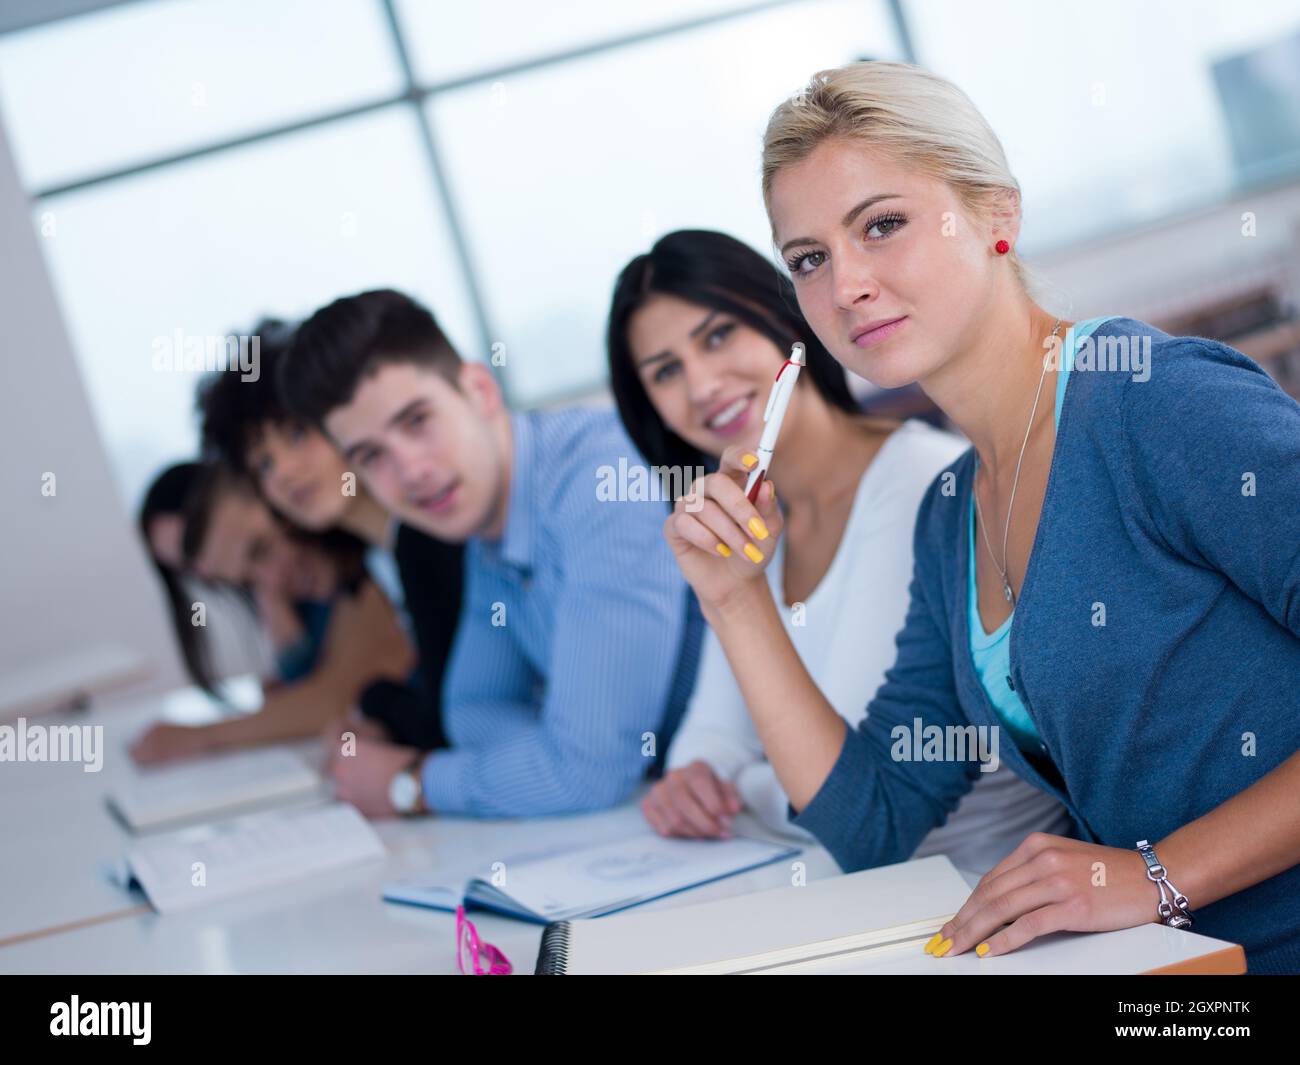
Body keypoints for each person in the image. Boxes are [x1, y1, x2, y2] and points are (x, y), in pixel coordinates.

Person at [665, 61, 1300, 972]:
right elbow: (875, 820)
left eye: (882, 225)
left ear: (997, 215)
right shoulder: (950, 514)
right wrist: (735, 598)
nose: (845, 284)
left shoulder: (1153, 402)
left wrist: (1155, 875)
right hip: (1168, 973)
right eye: (808, 259)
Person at [608, 228, 1071, 874]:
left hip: (970, 895)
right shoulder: (746, 516)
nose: (703, 383)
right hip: (839, 889)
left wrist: (736, 786)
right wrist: (700, 773)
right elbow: (709, 737)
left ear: (782, 323)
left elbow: (840, 792)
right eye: (665, 372)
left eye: (717, 336)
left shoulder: (921, 484)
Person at [279, 289, 703, 818]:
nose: (410, 471)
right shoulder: (486, 521)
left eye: (417, 422)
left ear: (479, 390)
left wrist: (410, 784)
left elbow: (590, 773)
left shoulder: (597, 483)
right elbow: (472, 715)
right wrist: (557, 754)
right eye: (372, 456)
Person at [194, 319, 464, 751]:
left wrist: (382, 714)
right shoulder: (380, 557)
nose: (283, 471)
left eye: (297, 435)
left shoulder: (437, 526)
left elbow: (461, 712)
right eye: (263, 463)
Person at [132, 459, 413, 763]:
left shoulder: (372, 569)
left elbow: (336, 697)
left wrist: (199, 737)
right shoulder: (293, 587)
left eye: (261, 548)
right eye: (189, 567)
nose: (270, 582)